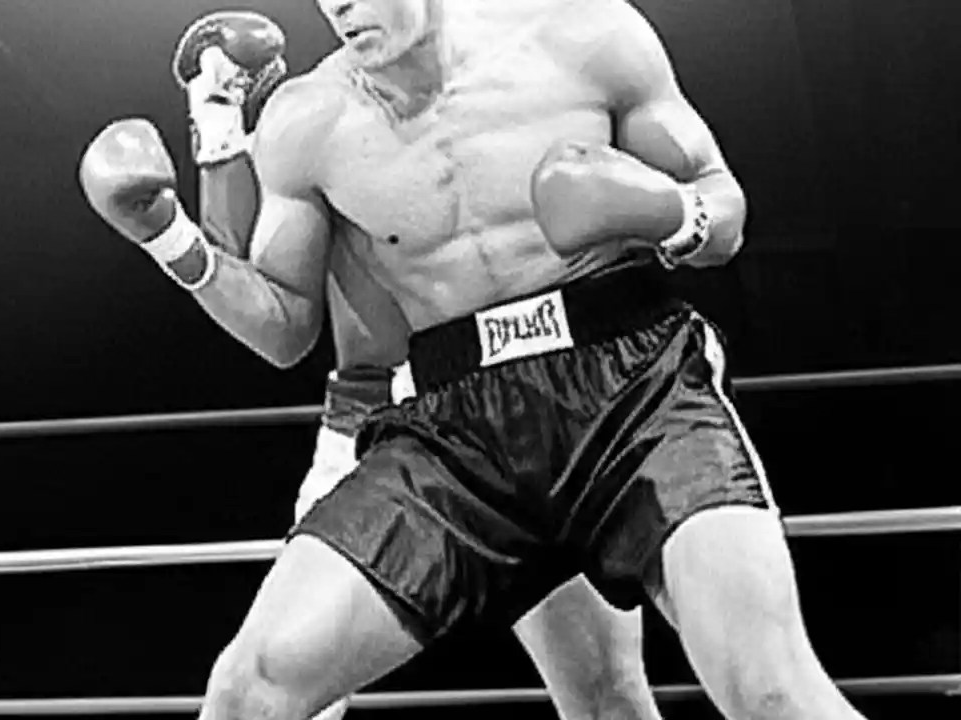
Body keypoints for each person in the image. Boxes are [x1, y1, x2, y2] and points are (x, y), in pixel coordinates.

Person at [80, 1, 865, 719]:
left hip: (633, 391)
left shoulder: (581, 32)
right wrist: (169, 239)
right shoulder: (305, 120)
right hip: (457, 426)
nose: (342, 3)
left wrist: (671, 213)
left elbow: (721, 203)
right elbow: (284, 327)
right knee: (248, 690)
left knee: (765, 693)